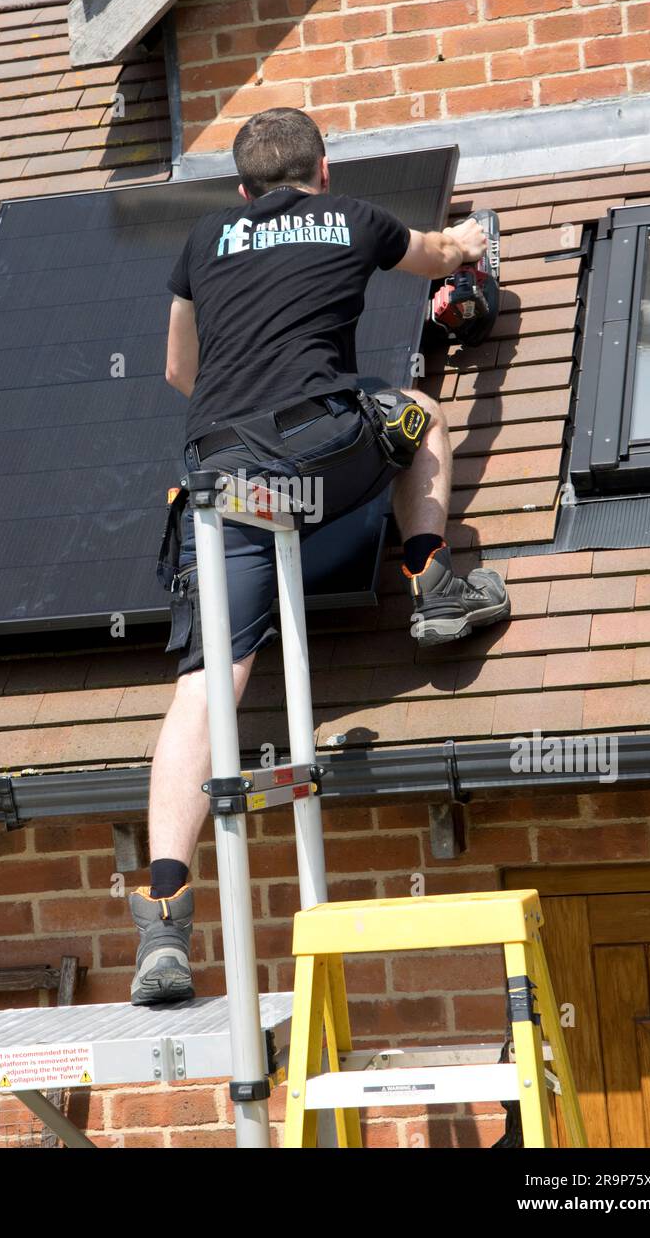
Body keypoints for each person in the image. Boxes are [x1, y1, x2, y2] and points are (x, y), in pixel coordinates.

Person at [129, 108, 510, 1003]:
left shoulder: (204, 237)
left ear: (242, 188)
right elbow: (441, 256)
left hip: (222, 483)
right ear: (323, 171)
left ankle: (164, 913)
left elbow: (179, 371)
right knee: (421, 413)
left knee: (205, 688)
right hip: (318, 457)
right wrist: (474, 240)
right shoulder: (355, 220)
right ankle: (434, 578)